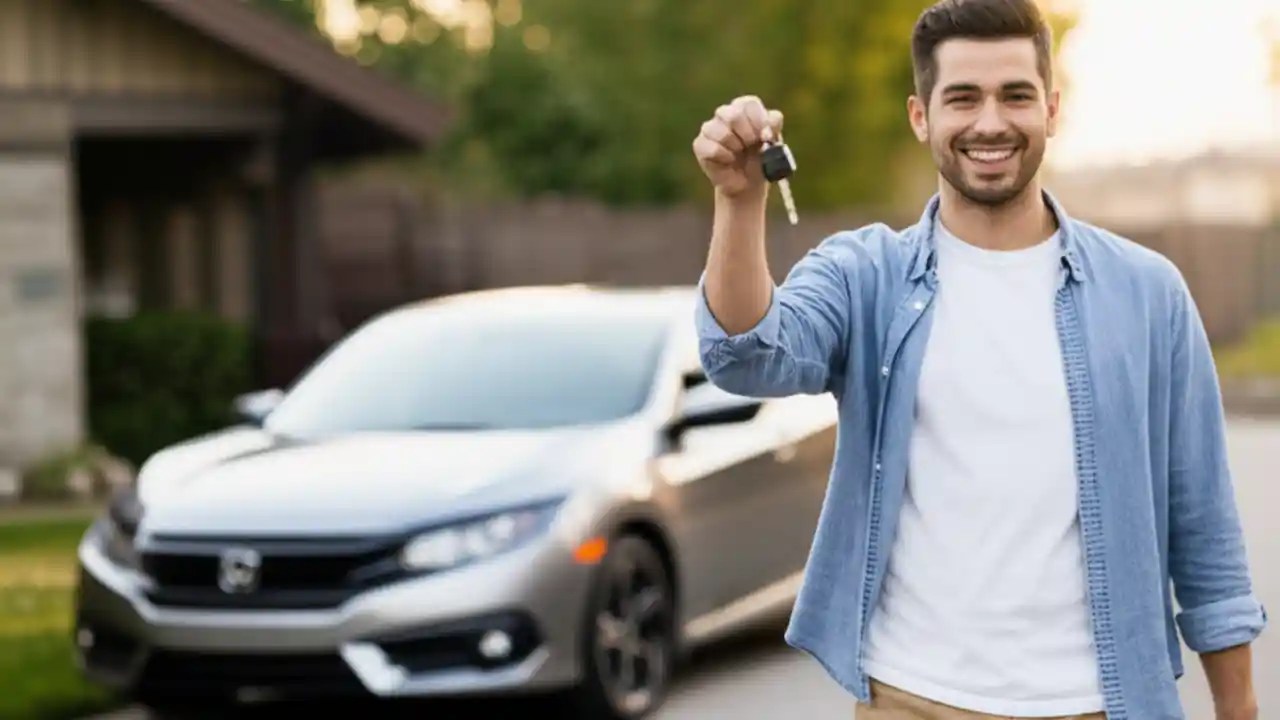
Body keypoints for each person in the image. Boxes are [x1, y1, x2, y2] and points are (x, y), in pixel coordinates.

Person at [689, 0, 1266, 718]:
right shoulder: (866, 276)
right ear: (921, 117)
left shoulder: (1147, 294)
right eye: (963, 97)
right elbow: (745, 357)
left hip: (1103, 704)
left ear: (1051, 110)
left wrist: (1237, 709)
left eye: (1015, 95)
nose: (990, 121)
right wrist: (740, 203)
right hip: (914, 698)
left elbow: (1205, 528)